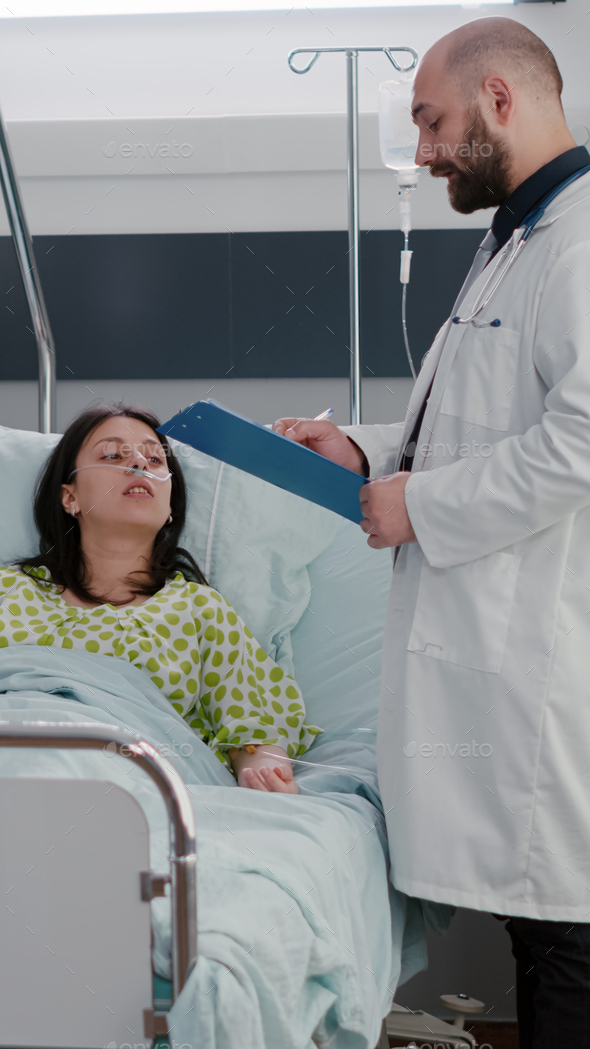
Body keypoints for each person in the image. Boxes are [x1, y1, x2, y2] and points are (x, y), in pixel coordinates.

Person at [274, 17, 590, 1047]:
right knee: (539, 924)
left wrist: (421, 503)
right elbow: (474, 417)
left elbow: (580, 438)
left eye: (428, 119)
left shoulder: (581, 240)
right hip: (496, 652)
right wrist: (364, 455)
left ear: (499, 98)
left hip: (542, 649)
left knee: (566, 935)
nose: (419, 151)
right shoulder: (515, 242)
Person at [0, 403, 322, 794]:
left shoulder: (199, 611)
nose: (139, 462)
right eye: (113, 455)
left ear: (169, 507)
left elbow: (254, 728)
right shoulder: (10, 592)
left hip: (133, 784)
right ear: (70, 497)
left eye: (155, 459)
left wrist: (267, 775)